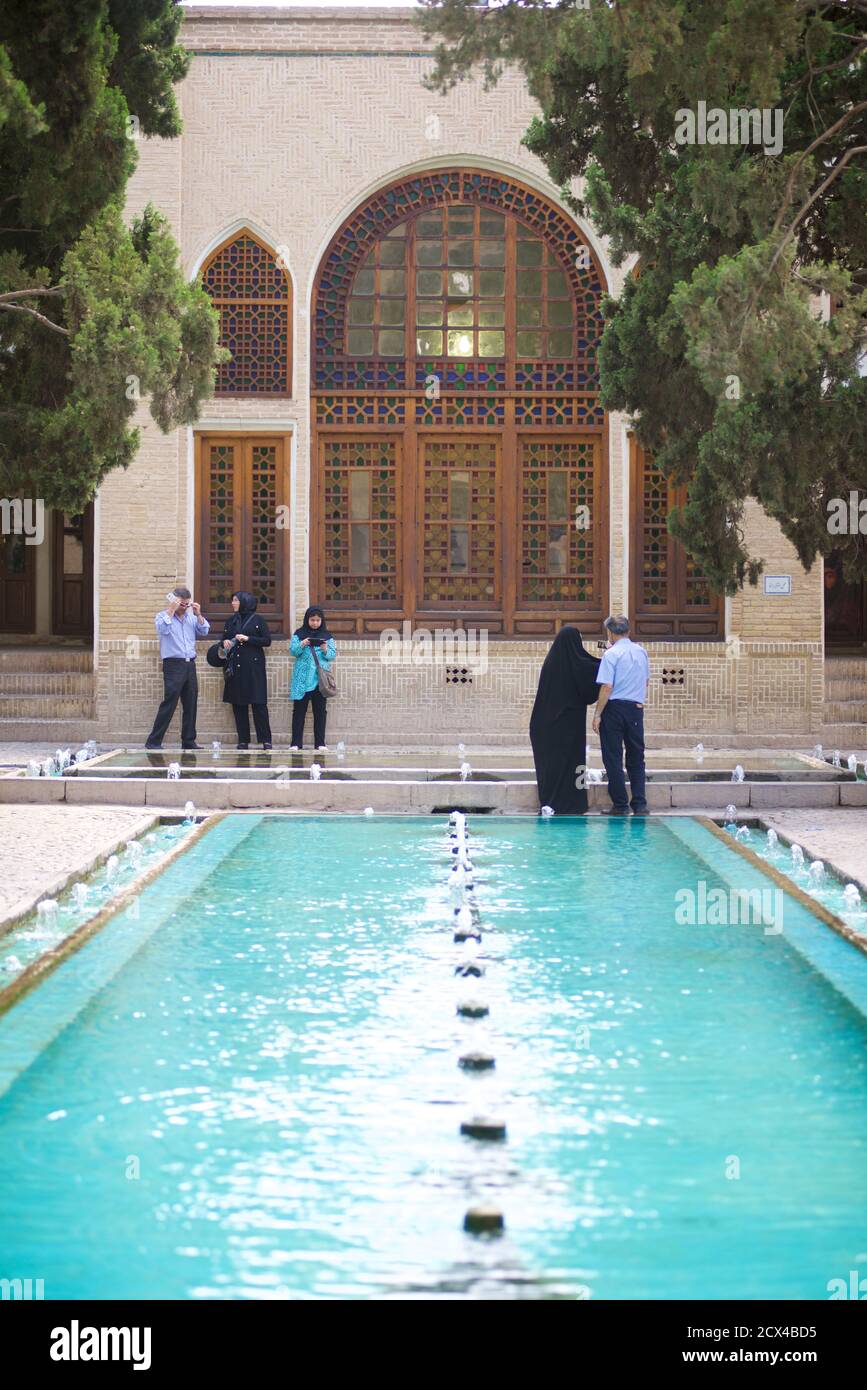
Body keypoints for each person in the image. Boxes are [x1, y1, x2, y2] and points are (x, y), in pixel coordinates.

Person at [529, 627, 601, 813]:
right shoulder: (575, 664)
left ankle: (551, 803)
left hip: (545, 725)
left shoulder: (555, 661)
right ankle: (572, 804)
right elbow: (592, 676)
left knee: (553, 766)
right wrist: (610, 658)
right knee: (571, 763)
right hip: (566, 726)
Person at [592, 614, 649, 816]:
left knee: (613, 757)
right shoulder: (642, 652)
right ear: (628, 631)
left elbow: (607, 686)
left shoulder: (611, 654)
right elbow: (645, 682)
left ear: (610, 632)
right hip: (635, 709)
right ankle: (640, 804)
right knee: (636, 756)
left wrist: (597, 714)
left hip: (614, 709)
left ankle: (620, 805)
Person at [145, 586, 210, 749]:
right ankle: (153, 741)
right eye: (182, 604)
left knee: (191, 702)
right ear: (174, 601)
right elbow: (162, 630)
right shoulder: (162, 616)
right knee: (170, 702)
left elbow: (204, 631)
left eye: (187, 604)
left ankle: (188, 741)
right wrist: (171, 611)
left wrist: (198, 614)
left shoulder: (191, 618)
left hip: (190, 664)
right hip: (173, 665)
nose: (185, 607)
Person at [219, 591, 272, 750]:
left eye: (235, 600)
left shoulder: (258, 620)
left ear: (244, 602)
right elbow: (223, 640)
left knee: (258, 704)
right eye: (233, 600)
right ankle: (243, 740)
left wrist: (248, 638)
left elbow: (267, 640)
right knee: (239, 704)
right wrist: (225, 642)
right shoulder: (231, 620)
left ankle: (265, 740)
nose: (233, 603)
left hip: (253, 668)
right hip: (236, 666)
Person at [289, 605, 336, 750]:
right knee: (299, 712)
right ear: (307, 619)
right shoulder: (299, 634)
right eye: (312, 620)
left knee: (320, 712)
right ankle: (296, 743)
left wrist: (325, 649)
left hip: (319, 681)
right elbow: (293, 652)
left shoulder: (327, 636)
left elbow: (332, 655)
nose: (315, 623)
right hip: (302, 680)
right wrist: (302, 644)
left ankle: (320, 743)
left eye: (317, 620)